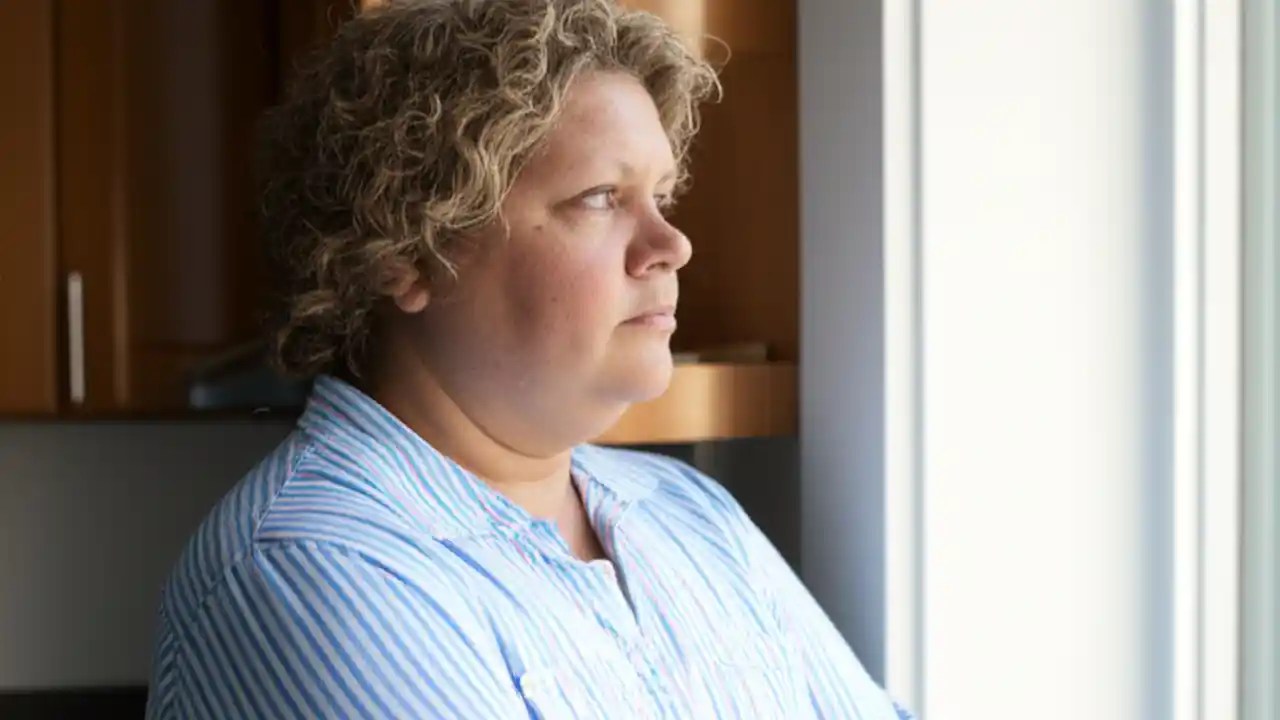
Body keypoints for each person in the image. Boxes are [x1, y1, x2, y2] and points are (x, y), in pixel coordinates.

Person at [144, 1, 913, 717]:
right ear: (406, 252)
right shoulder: (315, 570)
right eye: (602, 198)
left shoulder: (690, 515)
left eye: (662, 197)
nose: (671, 245)